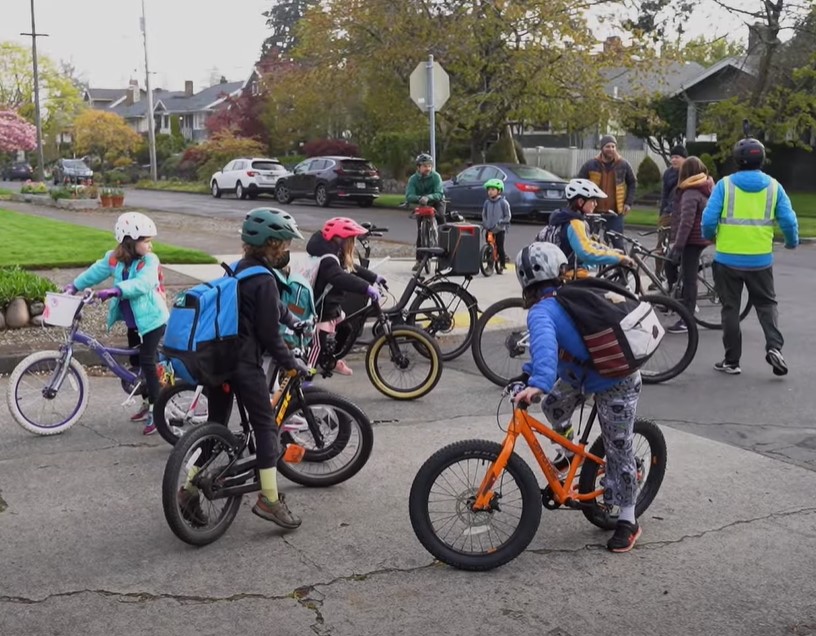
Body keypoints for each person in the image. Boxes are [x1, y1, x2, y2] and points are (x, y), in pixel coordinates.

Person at [181, 208, 311, 530]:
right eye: (284, 243)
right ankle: (269, 500)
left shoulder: (238, 270)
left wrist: (292, 319)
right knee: (266, 428)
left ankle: (186, 490)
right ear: (271, 244)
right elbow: (269, 334)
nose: (287, 250)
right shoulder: (265, 280)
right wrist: (290, 363)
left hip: (218, 361)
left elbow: (271, 309)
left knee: (215, 425)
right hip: (244, 365)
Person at [512, 241, 645, 553]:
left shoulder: (545, 309)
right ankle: (572, 452)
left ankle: (628, 519)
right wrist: (527, 376)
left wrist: (540, 381)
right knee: (554, 405)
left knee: (618, 448)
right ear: (559, 270)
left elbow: (545, 344)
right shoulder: (562, 299)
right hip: (582, 375)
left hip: (616, 379)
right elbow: (552, 347)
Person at [701, 136, 798, 376]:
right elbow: (788, 219)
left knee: (730, 308)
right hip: (760, 260)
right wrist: (791, 241)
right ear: (762, 159)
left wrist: (710, 236)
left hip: (727, 259)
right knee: (766, 305)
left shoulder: (725, 185)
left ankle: (732, 361)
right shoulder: (774, 186)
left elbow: (708, 219)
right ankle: (775, 347)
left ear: (737, 160)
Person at [66, 212, 168, 436]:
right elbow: (95, 272)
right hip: (134, 322)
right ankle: (146, 400)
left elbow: (143, 283)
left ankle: (157, 410)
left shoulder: (149, 261)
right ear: (130, 241)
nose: (150, 245)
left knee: (147, 361)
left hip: (152, 320)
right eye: (146, 241)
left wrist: (116, 290)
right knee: (136, 362)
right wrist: (74, 286)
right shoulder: (114, 259)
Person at [306, 216, 384, 376]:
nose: (353, 244)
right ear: (341, 239)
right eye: (352, 239)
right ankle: (306, 378)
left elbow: (351, 267)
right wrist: (366, 288)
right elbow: (338, 277)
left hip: (332, 306)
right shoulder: (327, 259)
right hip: (321, 310)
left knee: (346, 329)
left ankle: (330, 360)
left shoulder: (334, 251)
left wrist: (373, 277)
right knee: (317, 347)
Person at [543, 178, 635, 276]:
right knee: (600, 289)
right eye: (593, 200)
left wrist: (610, 252)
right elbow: (586, 253)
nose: (595, 204)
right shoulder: (575, 223)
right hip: (566, 276)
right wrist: (619, 259)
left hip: (553, 272)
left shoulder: (563, 217)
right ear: (581, 202)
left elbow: (587, 243)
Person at [664, 156, 713, 334]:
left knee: (688, 278)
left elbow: (687, 222)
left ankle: (687, 318)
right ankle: (674, 301)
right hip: (698, 237)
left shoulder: (691, 192)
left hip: (692, 240)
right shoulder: (704, 186)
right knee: (670, 264)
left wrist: (678, 246)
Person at [577, 135, 637, 251]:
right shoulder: (590, 164)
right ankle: (588, 268)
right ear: (602, 148)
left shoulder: (623, 164)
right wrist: (582, 204)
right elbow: (579, 183)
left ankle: (621, 268)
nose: (611, 149)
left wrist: (628, 203)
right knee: (588, 243)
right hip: (593, 212)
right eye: (608, 146)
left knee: (618, 245)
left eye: (613, 146)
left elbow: (632, 183)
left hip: (614, 213)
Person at [405, 153, 446, 272]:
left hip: (436, 201)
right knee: (420, 231)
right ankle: (419, 260)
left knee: (442, 222)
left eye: (429, 165)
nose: (428, 168)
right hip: (422, 203)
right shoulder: (413, 179)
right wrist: (419, 199)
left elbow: (439, 193)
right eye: (424, 166)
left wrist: (429, 197)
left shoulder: (436, 177)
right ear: (418, 167)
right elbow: (409, 195)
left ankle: (444, 259)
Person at [654, 144, 688, 286]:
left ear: (684, 159)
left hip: (682, 215)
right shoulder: (668, 174)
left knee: (679, 247)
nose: (674, 160)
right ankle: (657, 276)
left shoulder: (689, 173)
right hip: (668, 213)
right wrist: (662, 214)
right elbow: (664, 195)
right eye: (672, 157)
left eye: (677, 157)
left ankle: (679, 278)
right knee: (660, 247)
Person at [481, 178, 512, 274]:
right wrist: (485, 223)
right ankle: (489, 265)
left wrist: (500, 223)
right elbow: (484, 214)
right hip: (489, 229)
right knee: (489, 247)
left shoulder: (503, 203)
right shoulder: (487, 202)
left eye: (493, 190)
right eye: (489, 190)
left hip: (499, 229)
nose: (490, 192)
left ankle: (502, 263)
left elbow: (508, 216)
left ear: (499, 191)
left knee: (499, 247)